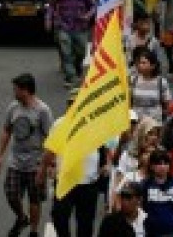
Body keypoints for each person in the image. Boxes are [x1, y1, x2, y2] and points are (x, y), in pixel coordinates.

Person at [42, 88, 106, 237]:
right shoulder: (59, 124)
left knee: (85, 223)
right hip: (65, 179)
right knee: (59, 216)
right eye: (70, 103)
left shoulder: (95, 124)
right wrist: (48, 167)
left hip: (88, 182)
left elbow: (102, 148)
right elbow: (51, 148)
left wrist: (104, 165)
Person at [0, 73, 54, 237]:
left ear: (26, 91)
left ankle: (34, 231)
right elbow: (6, 131)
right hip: (16, 162)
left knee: (34, 200)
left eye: (16, 90)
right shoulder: (13, 108)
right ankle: (22, 217)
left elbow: (51, 138)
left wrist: (49, 164)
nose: (14, 92)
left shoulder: (43, 111)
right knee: (11, 194)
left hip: (36, 164)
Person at [50, 0, 96, 87]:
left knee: (81, 52)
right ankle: (70, 78)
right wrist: (50, 19)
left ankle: (77, 68)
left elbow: (93, 6)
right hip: (64, 26)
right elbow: (51, 6)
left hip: (80, 28)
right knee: (66, 53)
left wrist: (88, 15)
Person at [128, 49, 173, 123]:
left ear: (153, 66)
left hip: (155, 123)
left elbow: (167, 104)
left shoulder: (161, 82)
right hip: (136, 122)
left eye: (144, 63)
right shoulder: (133, 80)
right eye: (140, 63)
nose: (140, 65)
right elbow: (129, 102)